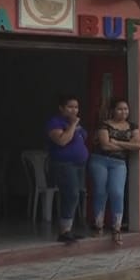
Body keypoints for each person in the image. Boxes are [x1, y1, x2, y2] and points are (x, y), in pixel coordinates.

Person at [90, 98, 140, 244]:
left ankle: (116, 228)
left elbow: (139, 145)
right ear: (113, 110)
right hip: (100, 161)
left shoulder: (132, 126)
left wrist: (118, 142)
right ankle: (98, 225)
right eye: (120, 109)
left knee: (117, 192)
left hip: (119, 163)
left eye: (126, 109)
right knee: (101, 191)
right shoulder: (104, 125)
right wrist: (128, 145)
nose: (123, 112)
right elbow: (105, 146)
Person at [45, 94, 89, 244]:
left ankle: (68, 229)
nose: (74, 110)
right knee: (71, 194)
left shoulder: (76, 124)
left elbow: (82, 138)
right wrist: (72, 125)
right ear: (61, 108)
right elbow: (62, 141)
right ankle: (64, 231)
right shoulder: (55, 122)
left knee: (76, 195)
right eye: (70, 107)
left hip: (79, 164)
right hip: (64, 164)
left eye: (76, 107)